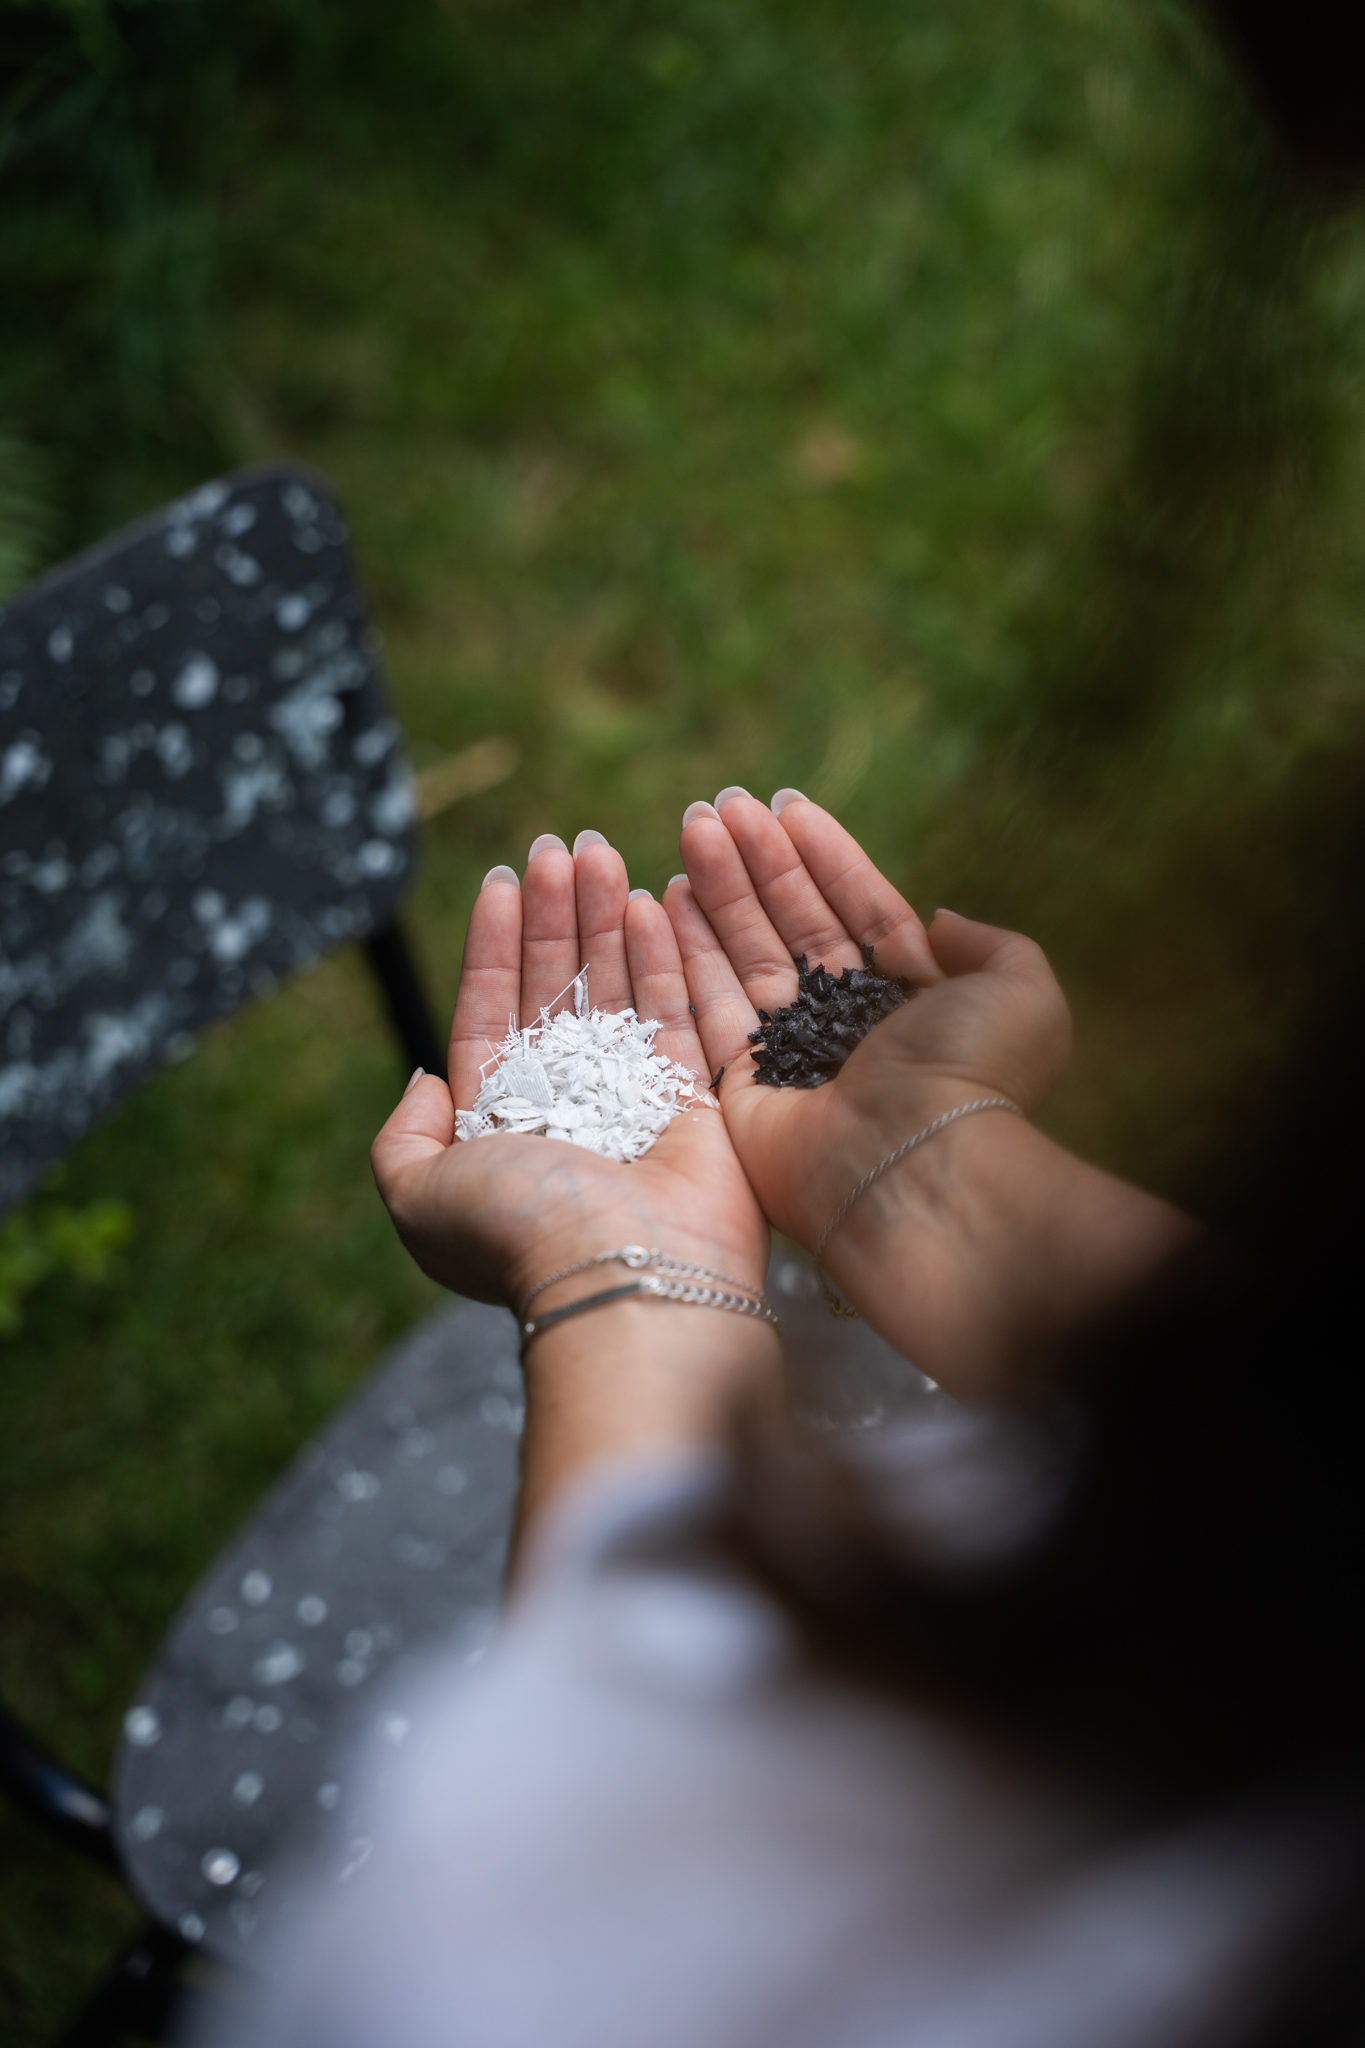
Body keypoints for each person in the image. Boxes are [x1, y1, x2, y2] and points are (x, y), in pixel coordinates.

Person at [218, 791, 1363, 2048]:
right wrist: (921, 1156)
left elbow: (585, 1887)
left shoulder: (559, 1920)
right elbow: (1276, 1471)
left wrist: (618, 1264)